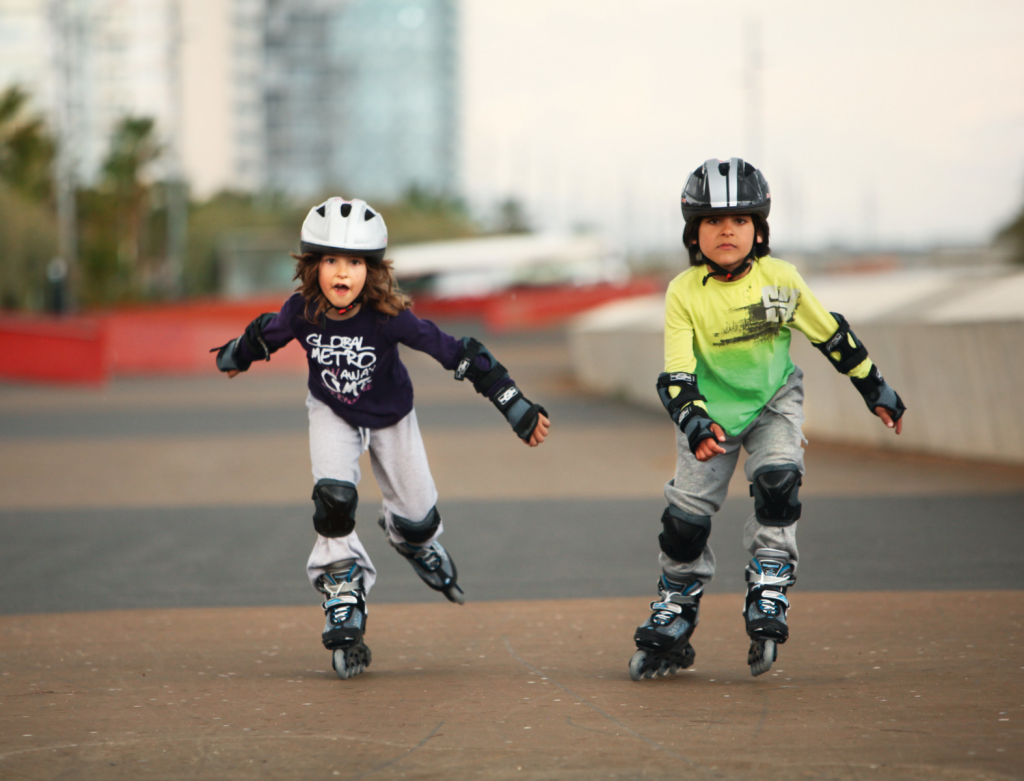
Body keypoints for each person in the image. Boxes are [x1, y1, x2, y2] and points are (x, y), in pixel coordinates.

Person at [212, 197, 550, 679]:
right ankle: (342, 582)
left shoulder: (390, 316)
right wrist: (236, 355)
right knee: (333, 499)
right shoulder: (302, 311)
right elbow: (268, 331)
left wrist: (512, 402)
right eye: (331, 260)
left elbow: (456, 352)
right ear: (312, 266)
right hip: (332, 411)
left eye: (355, 262)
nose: (342, 272)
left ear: (372, 270)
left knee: (417, 518)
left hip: (392, 416)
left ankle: (411, 540)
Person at [629, 158, 905, 680]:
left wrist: (874, 386)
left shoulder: (781, 280)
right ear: (694, 233)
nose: (726, 230)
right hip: (709, 416)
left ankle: (770, 582)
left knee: (779, 482)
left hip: (774, 402)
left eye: (739, 220)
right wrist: (694, 422)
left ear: (760, 230)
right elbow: (676, 374)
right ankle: (676, 607)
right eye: (712, 221)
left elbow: (831, 335)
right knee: (684, 526)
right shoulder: (683, 292)